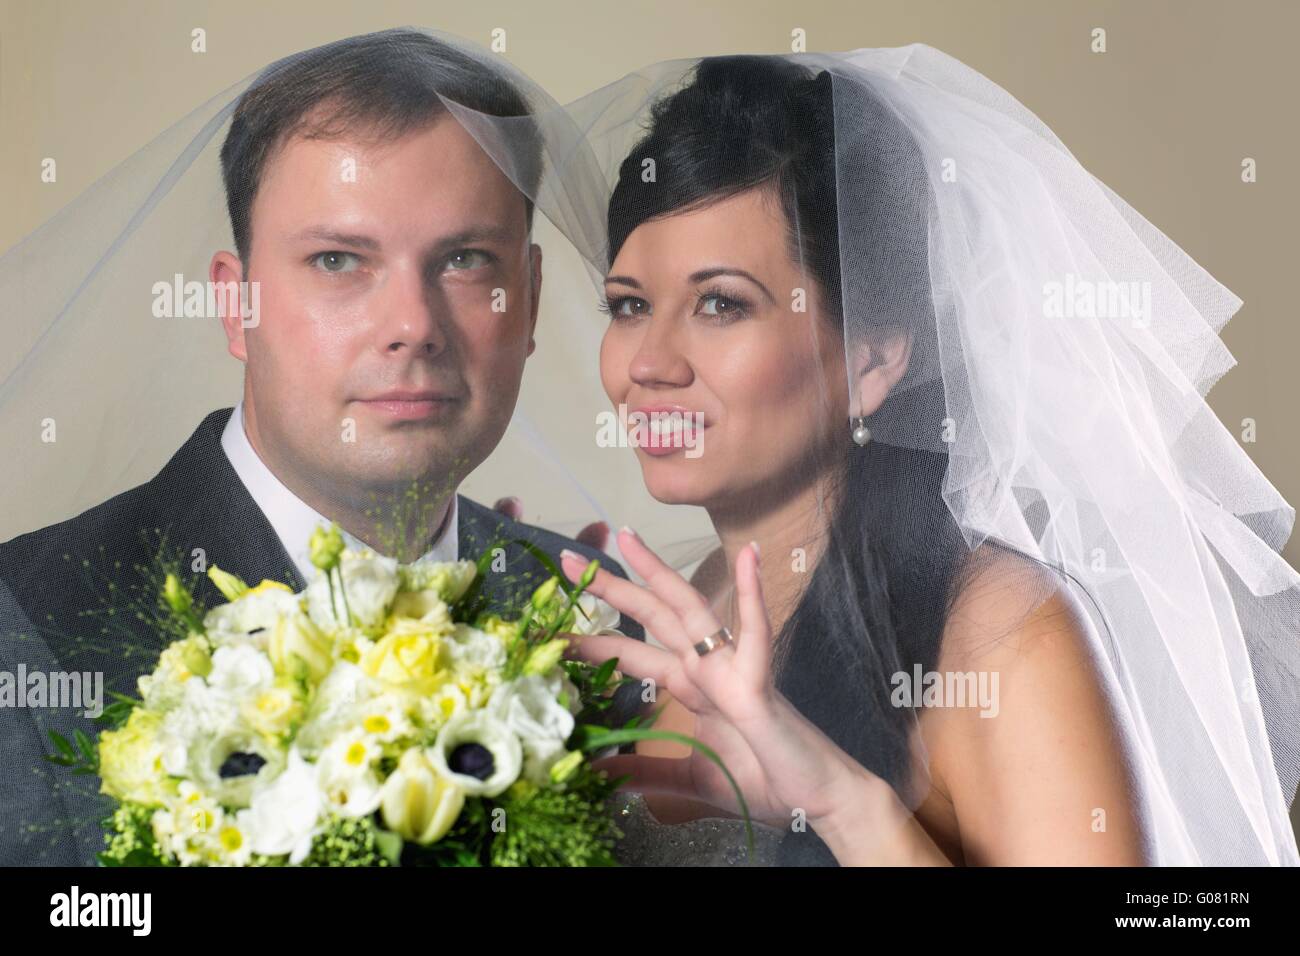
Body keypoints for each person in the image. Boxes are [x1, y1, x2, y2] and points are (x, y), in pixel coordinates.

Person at [459, 48, 1300, 865]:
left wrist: (840, 804)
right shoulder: (660, 615)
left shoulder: (1001, 637)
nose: (649, 362)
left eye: (720, 304)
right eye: (630, 305)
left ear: (870, 363)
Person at [0, 29, 642, 866]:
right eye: (338, 259)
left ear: (526, 301)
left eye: (464, 260)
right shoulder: (26, 623)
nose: (412, 326)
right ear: (236, 306)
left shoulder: (605, 622)